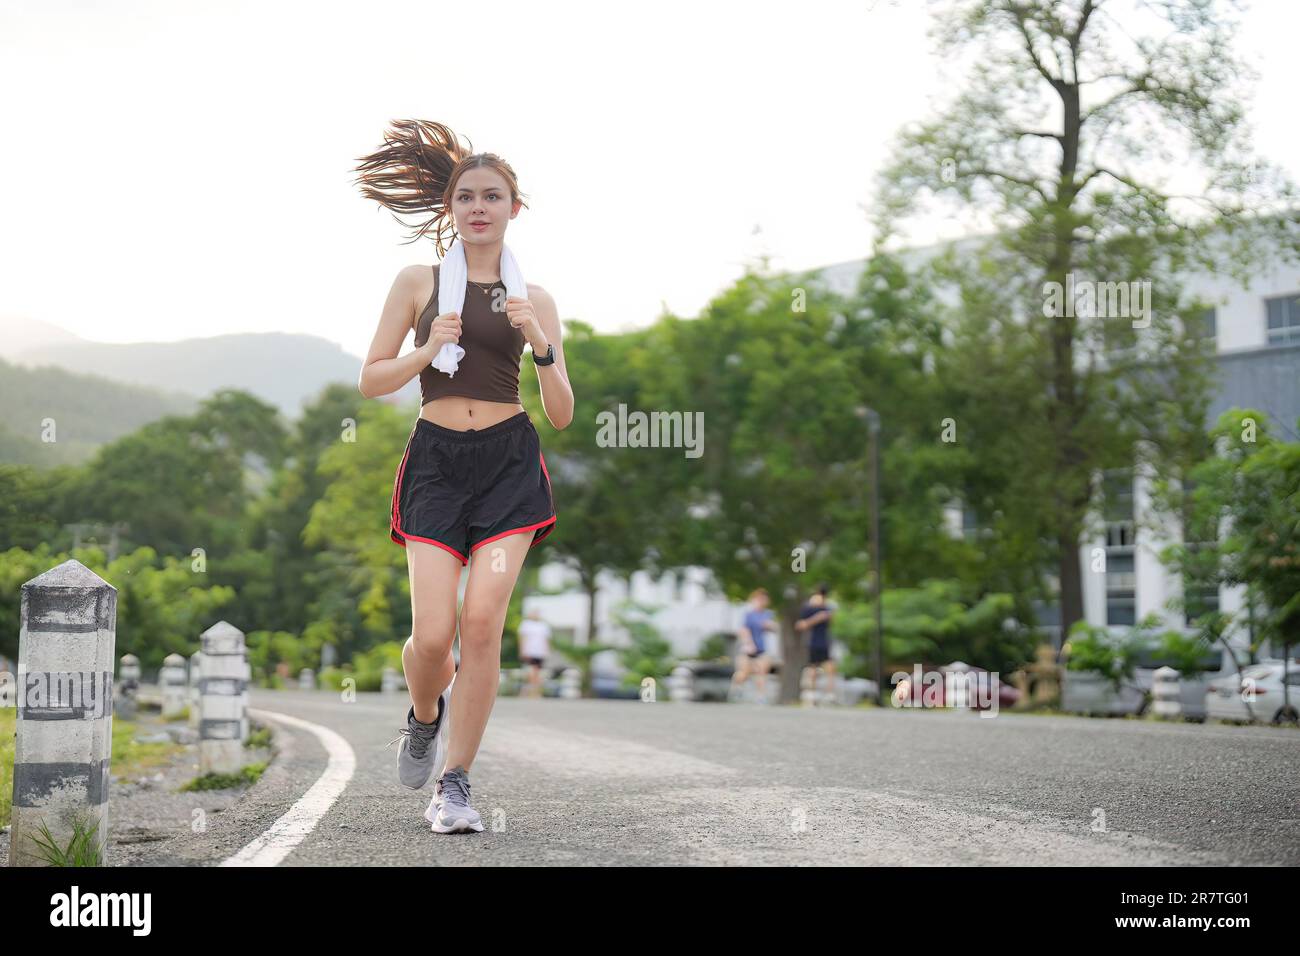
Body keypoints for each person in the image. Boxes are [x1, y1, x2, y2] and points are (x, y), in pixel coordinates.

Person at [357, 120, 574, 834]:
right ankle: (424, 715)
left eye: (494, 196)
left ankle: (454, 782)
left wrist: (540, 344)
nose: (479, 208)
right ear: (450, 210)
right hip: (436, 467)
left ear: (515, 208)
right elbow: (371, 380)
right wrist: (427, 351)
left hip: (510, 466)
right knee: (432, 638)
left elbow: (563, 413)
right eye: (467, 197)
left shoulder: (533, 298)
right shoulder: (419, 283)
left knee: (481, 625)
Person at [730, 588, 777, 703]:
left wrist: (770, 626)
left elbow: (774, 627)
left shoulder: (768, 614)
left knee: (762, 672)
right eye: (760, 599)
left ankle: (761, 696)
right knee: (744, 672)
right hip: (748, 648)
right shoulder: (749, 614)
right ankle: (736, 688)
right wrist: (749, 644)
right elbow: (743, 630)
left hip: (761, 649)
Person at [796, 584, 837, 706]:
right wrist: (816, 618)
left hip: (825, 641)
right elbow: (800, 625)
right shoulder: (809, 608)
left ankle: (829, 695)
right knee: (812, 668)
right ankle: (811, 695)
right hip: (813, 641)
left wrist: (829, 616)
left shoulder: (828, 607)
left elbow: (832, 621)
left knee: (830, 668)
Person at [516, 607, 552, 698]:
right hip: (529, 651)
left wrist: (547, 651)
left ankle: (534, 691)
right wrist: (522, 650)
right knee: (531, 671)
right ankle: (532, 691)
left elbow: (546, 640)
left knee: (537, 672)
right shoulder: (526, 624)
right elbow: (522, 639)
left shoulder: (544, 626)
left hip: (540, 652)